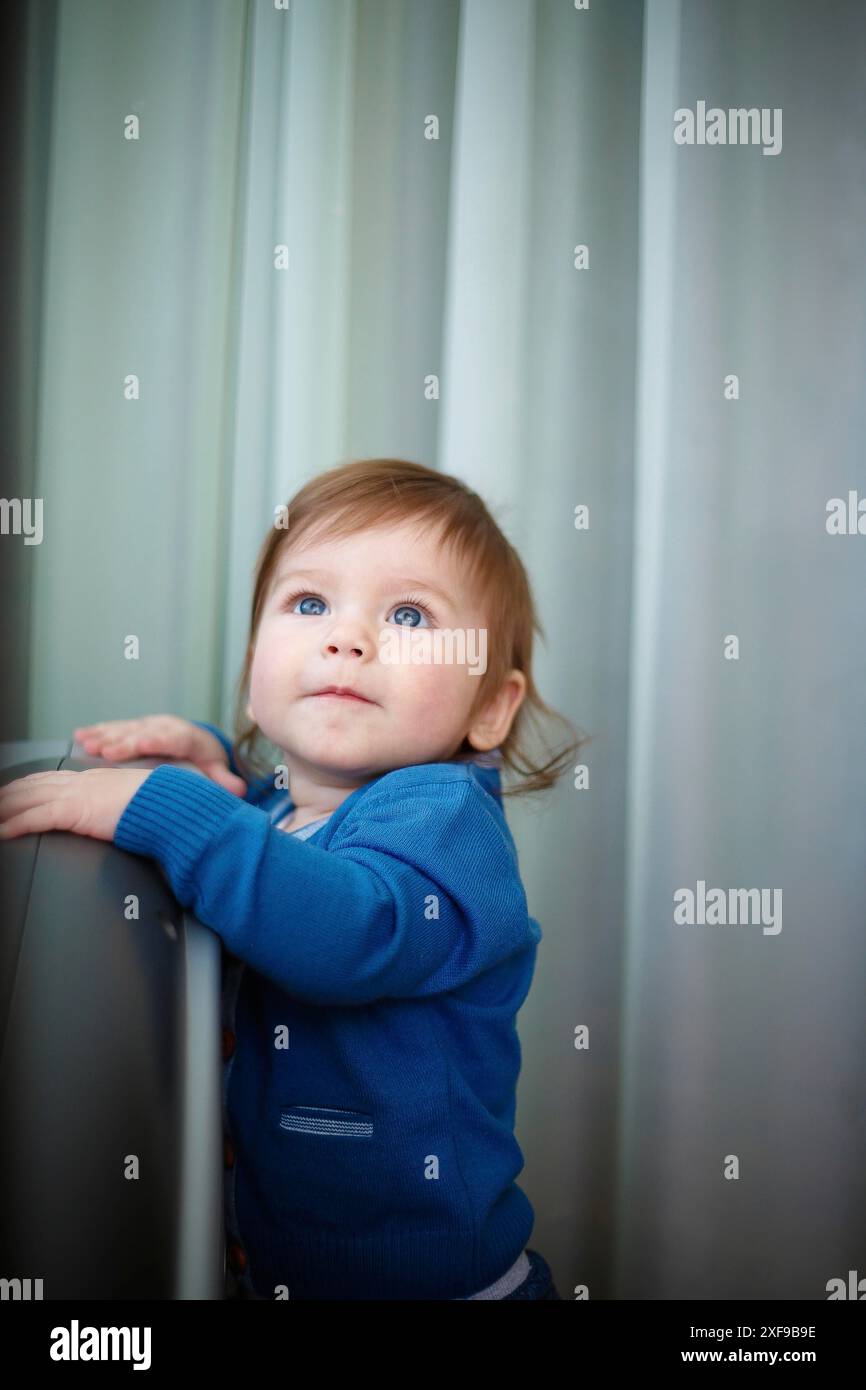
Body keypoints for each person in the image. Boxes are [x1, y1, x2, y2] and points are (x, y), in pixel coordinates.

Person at [0, 458, 585, 1300]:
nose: (346, 638)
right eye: (309, 604)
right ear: (254, 659)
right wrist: (219, 768)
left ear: (490, 706)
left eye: (410, 614)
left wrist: (166, 807)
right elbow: (286, 833)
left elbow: (346, 927)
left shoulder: (447, 819)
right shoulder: (288, 806)